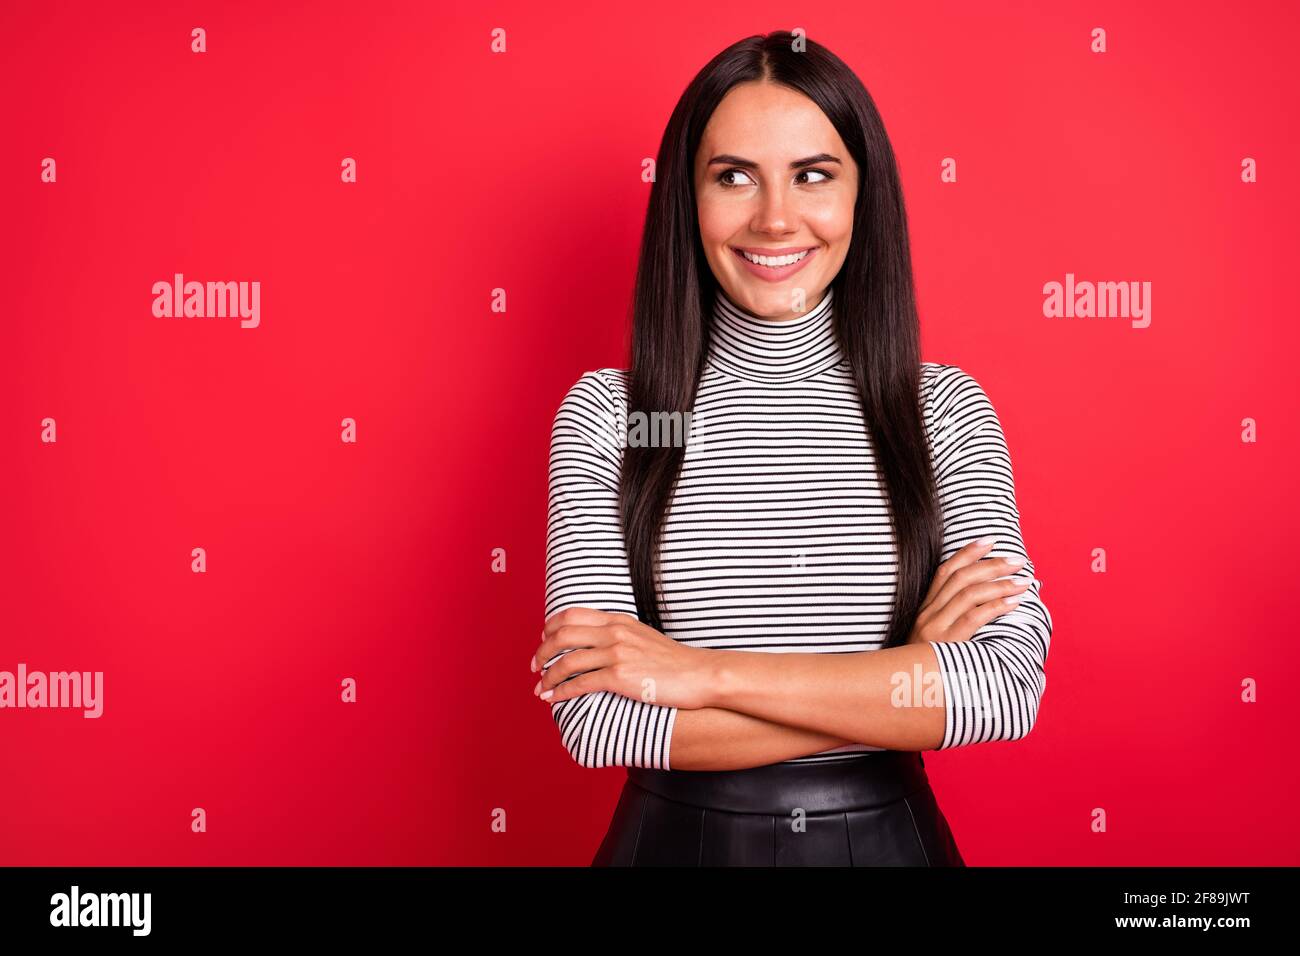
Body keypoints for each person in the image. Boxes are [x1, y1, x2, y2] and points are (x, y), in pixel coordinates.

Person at [531, 29, 1052, 866]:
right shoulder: (612, 416)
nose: (776, 217)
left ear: (861, 196)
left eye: (813, 175)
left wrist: (702, 675)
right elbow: (597, 719)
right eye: (733, 176)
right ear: (687, 200)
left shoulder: (940, 410)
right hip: (675, 846)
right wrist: (902, 677)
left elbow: (1001, 691)